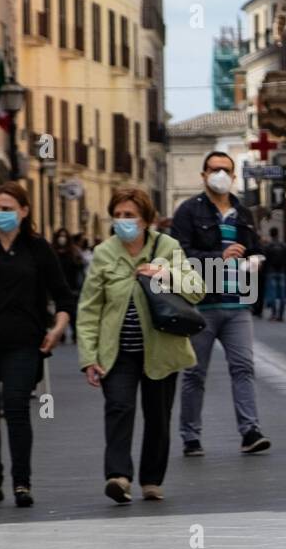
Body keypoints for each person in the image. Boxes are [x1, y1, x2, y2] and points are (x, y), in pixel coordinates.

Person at [77, 187, 206, 503]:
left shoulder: (168, 246)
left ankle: (151, 479)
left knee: (158, 416)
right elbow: (90, 307)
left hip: (162, 349)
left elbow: (197, 289)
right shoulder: (105, 252)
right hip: (117, 351)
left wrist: (165, 273)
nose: (123, 221)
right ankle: (118, 476)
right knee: (119, 408)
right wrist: (88, 357)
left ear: (147, 220)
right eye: (118, 215)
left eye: (129, 215)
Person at [170, 151, 271, 456]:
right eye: (215, 170)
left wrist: (255, 261)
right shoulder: (188, 211)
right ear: (203, 175)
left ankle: (250, 431)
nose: (221, 175)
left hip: (238, 303)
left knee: (243, 367)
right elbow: (179, 256)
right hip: (202, 304)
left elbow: (255, 249)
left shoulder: (243, 213)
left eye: (226, 170)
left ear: (234, 176)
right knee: (195, 373)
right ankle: (190, 436)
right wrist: (219, 257)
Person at [0, 182, 75, 507]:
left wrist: (58, 328)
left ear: (24, 211)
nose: (1, 214)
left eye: (7, 209)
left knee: (16, 406)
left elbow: (64, 296)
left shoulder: (37, 248)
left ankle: (21, 483)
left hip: (25, 342)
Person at [51, 228, 84, 342]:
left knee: (73, 313)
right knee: (59, 311)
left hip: (72, 287)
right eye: (60, 236)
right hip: (57, 287)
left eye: (64, 236)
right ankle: (61, 333)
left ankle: (75, 333)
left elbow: (80, 269)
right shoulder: (52, 252)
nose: (62, 238)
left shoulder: (74, 252)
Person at [261, 227, 286, 322]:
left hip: (271, 271)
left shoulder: (268, 246)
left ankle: (274, 314)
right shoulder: (283, 246)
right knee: (282, 294)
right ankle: (281, 314)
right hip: (281, 271)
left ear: (271, 234)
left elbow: (265, 260)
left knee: (272, 293)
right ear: (278, 233)